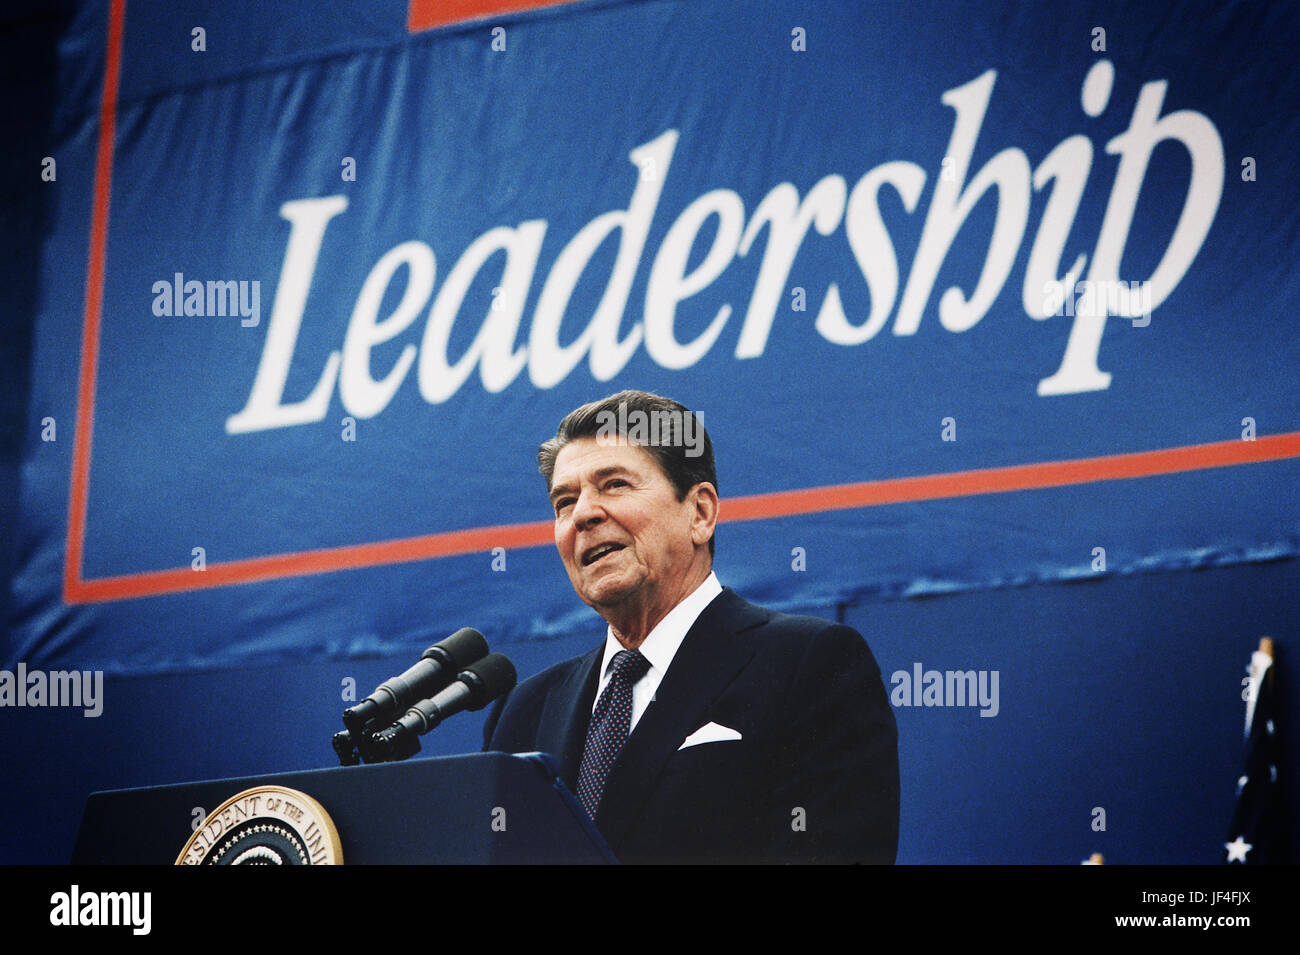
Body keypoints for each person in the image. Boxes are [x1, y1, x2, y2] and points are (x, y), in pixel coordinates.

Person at [482, 390, 898, 863]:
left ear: (700, 513)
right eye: (564, 501)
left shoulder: (809, 665)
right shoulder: (522, 713)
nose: (583, 515)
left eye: (614, 484)